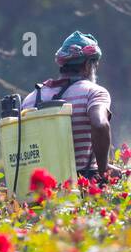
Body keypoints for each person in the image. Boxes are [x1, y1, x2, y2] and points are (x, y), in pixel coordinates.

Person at [21, 31, 118, 181]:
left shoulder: (30, 99)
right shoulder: (93, 93)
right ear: (87, 65)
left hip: (40, 192)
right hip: (82, 190)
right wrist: (103, 169)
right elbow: (100, 125)